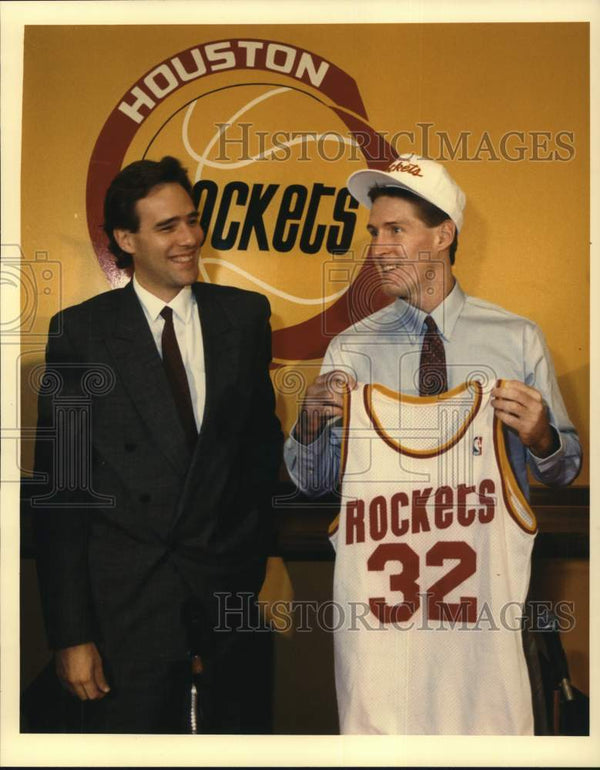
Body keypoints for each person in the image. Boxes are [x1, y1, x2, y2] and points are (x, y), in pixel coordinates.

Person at [284, 154, 581, 734]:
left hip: (482, 626)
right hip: (383, 639)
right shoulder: (350, 349)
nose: (378, 248)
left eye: (396, 230)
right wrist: (311, 425)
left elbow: (562, 470)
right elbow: (312, 483)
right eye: (375, 232)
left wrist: (542, 435)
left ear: (444, 234)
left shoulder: (516, 338)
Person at [31, 156, 283, 733]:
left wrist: (252, 566)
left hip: (228, 611)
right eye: (167, 227)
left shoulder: (244, 318)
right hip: (127, 619)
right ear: (126, 239)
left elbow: (258, 459)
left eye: (192, 221)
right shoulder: (81, 334)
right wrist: (72, 636)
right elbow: (62, 499)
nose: (190, 238)